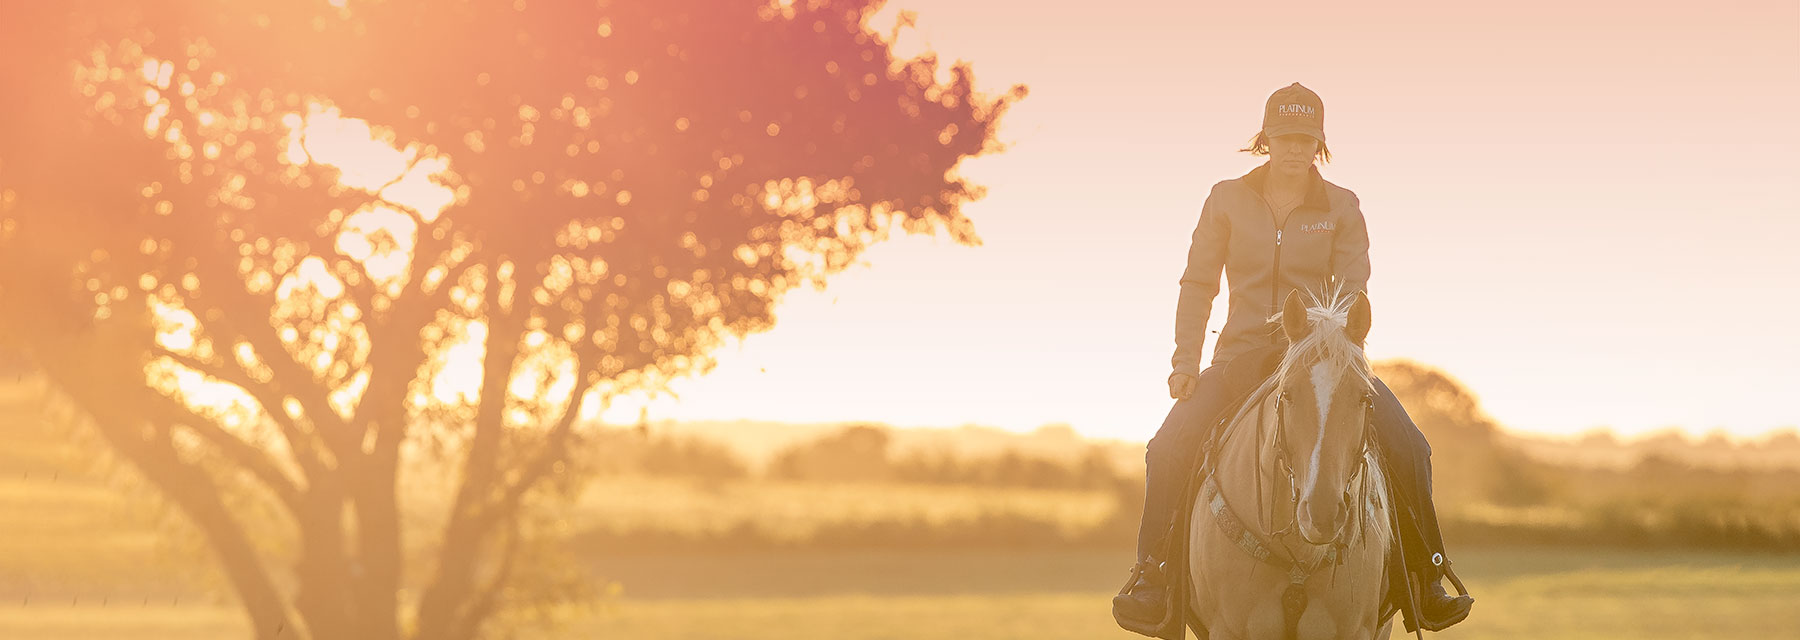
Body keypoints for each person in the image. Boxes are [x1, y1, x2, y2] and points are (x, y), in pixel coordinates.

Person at [1111, 82, 1474, 634]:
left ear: (1319, 145)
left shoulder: (1342, 206)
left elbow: (1354, 286)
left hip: (1319, 358)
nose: (1295, 149)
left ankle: (1426, 578)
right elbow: (1198, 282)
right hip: (1238, 358)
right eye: (1284, 137)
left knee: (1411, 448)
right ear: (1266, 139)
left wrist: (1333, 342)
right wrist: (1185, 361)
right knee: (1167, 447)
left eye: (1306, 139)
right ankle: (1153, 578)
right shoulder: (1226, 198)